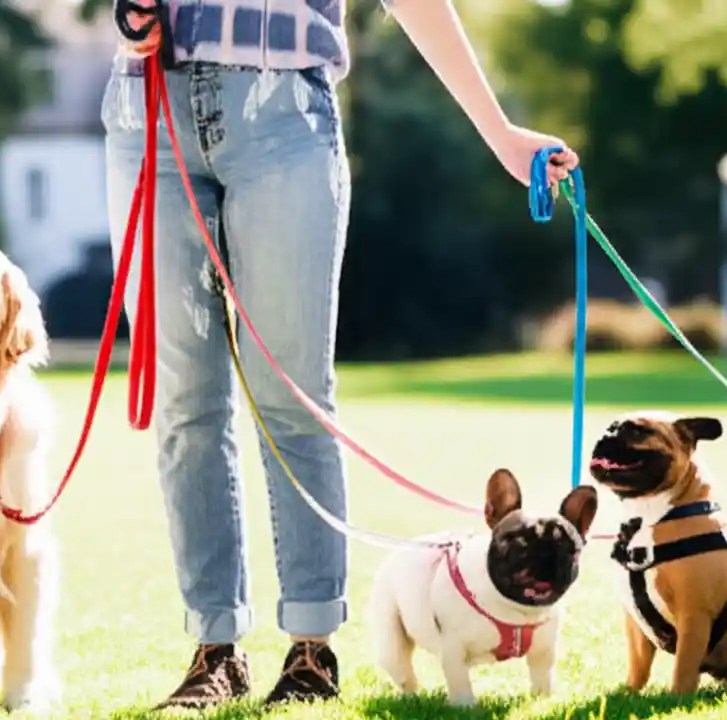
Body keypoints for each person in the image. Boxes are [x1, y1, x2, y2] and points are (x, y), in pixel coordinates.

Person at [101, 0, 580, 709]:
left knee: (291, 394)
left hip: (283, 112)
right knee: (183, 404)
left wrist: (499, 131)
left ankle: (311, 654)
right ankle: (215, 652)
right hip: (146, 108)